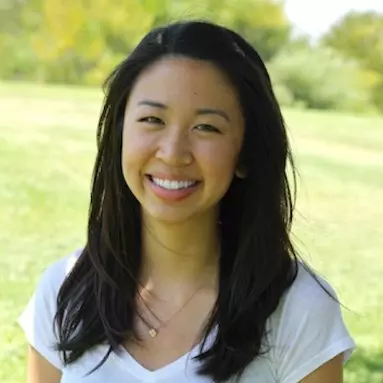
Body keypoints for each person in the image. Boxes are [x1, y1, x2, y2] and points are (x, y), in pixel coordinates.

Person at [18, 20, 356, 383]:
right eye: (152, 119)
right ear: (119, 135)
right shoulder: (64, 291)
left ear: (245, 153)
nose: (173, 153)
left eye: (206, 127)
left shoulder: (297, 309)